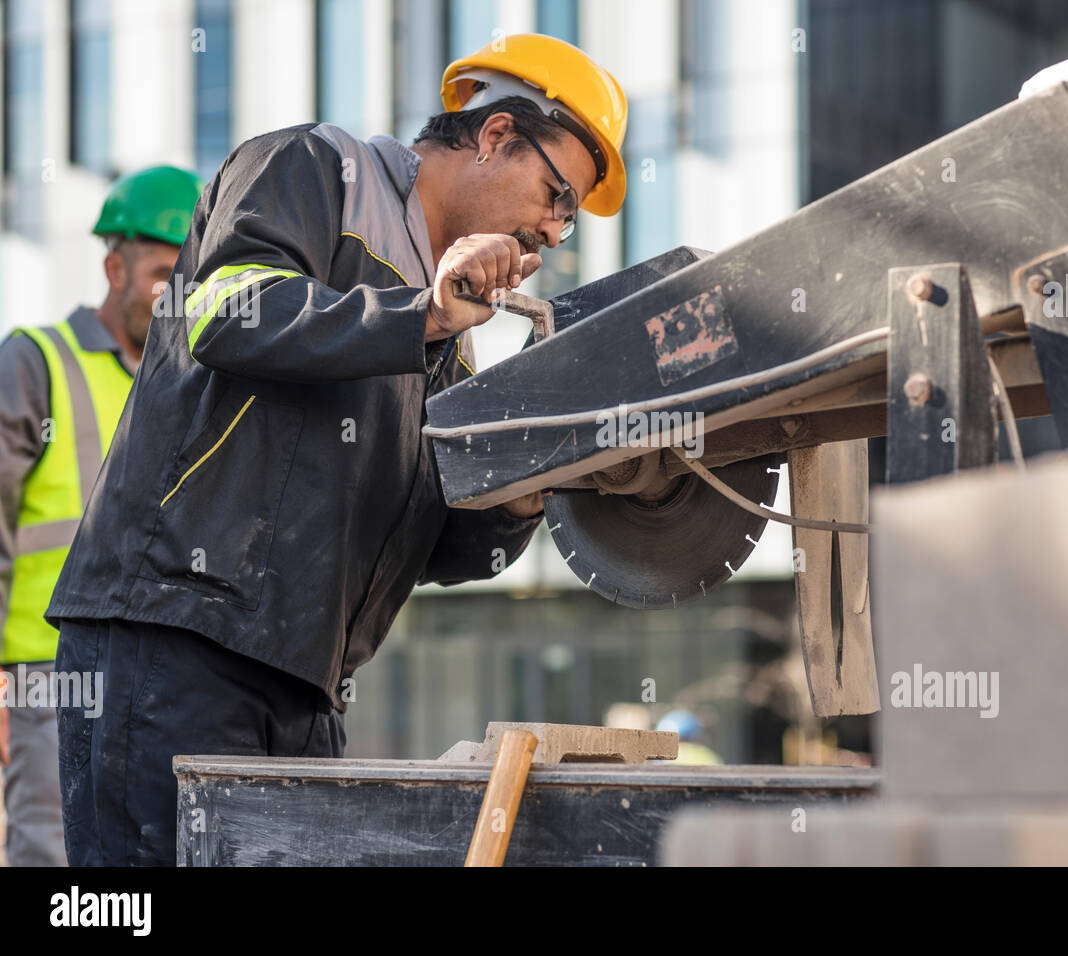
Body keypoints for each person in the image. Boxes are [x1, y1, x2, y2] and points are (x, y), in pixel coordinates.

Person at [46, 33, 628, 866]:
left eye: (567, 219)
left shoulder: (450, 340)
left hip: (305, 685)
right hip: (173, 639)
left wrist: (530, 484)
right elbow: (227, 318)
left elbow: (437, 543)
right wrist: (418, 316)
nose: (552, 229)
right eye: (556, 193)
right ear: (497, 133)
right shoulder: (316, 170)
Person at [0, 166, 204, 865]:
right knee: (52, 858)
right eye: (158, 270)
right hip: (44, 674)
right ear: (114, 266)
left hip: (160, 680)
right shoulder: (36, 362)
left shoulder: (194, 386)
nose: (172, 291)